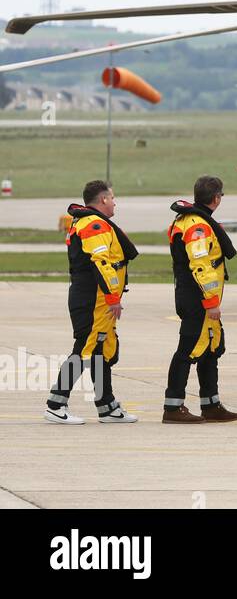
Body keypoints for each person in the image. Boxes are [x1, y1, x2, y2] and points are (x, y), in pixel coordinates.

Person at [45, 180, 140, 425]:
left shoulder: (92, 222)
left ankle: (107, 407)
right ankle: (56, 404)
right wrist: (112, 297)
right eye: (113, 197)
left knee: (102, 351)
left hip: (98, 299)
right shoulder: (94, 224)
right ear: (103, 200)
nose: (115, 202)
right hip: (92, 299)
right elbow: (102, 262)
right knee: (85, 349)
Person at [162, 175, 237, 423]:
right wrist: (211, 302)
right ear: (216, 198)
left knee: (210, 349)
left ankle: (211, 405)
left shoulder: (190, 220)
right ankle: (173, 407)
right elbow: (200, 265)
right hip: (196, 298)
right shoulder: (197, 226)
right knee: (187, 350)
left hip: (199, 297)